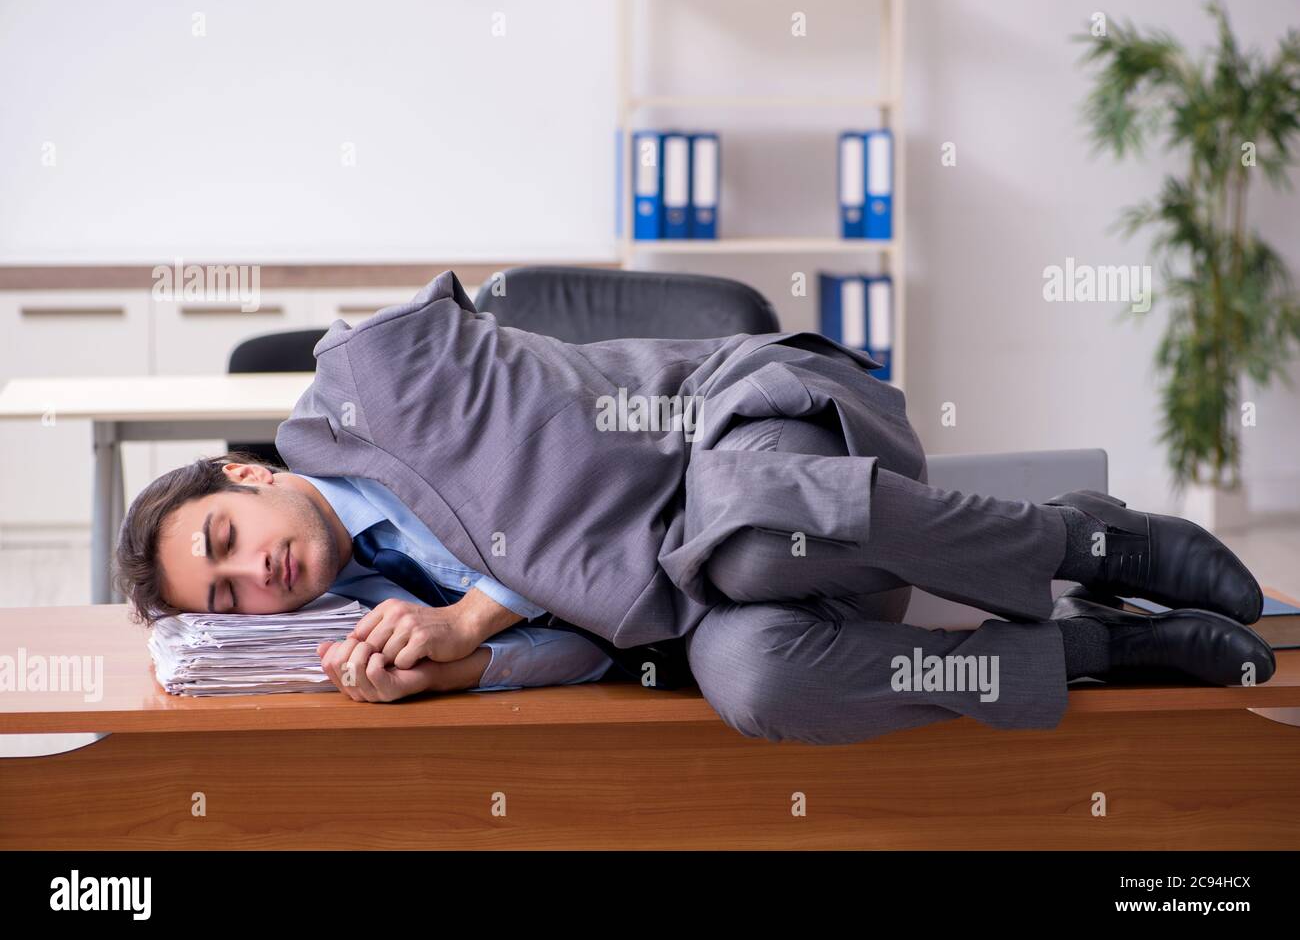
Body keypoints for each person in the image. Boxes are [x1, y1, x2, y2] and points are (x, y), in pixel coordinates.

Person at [115, 270, 1276, 745]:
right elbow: (591, 644)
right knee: (761, 677)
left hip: (745, 428)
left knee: (758, 530)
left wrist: (475, 618)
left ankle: (1086, 537)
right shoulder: (367, 608)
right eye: (223, 593)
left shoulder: (368, 373)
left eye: (225, 541)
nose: (251, 577)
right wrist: (462, 671)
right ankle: (1084, 653)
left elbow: (561, 459)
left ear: (251, 474)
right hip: (711, 584)